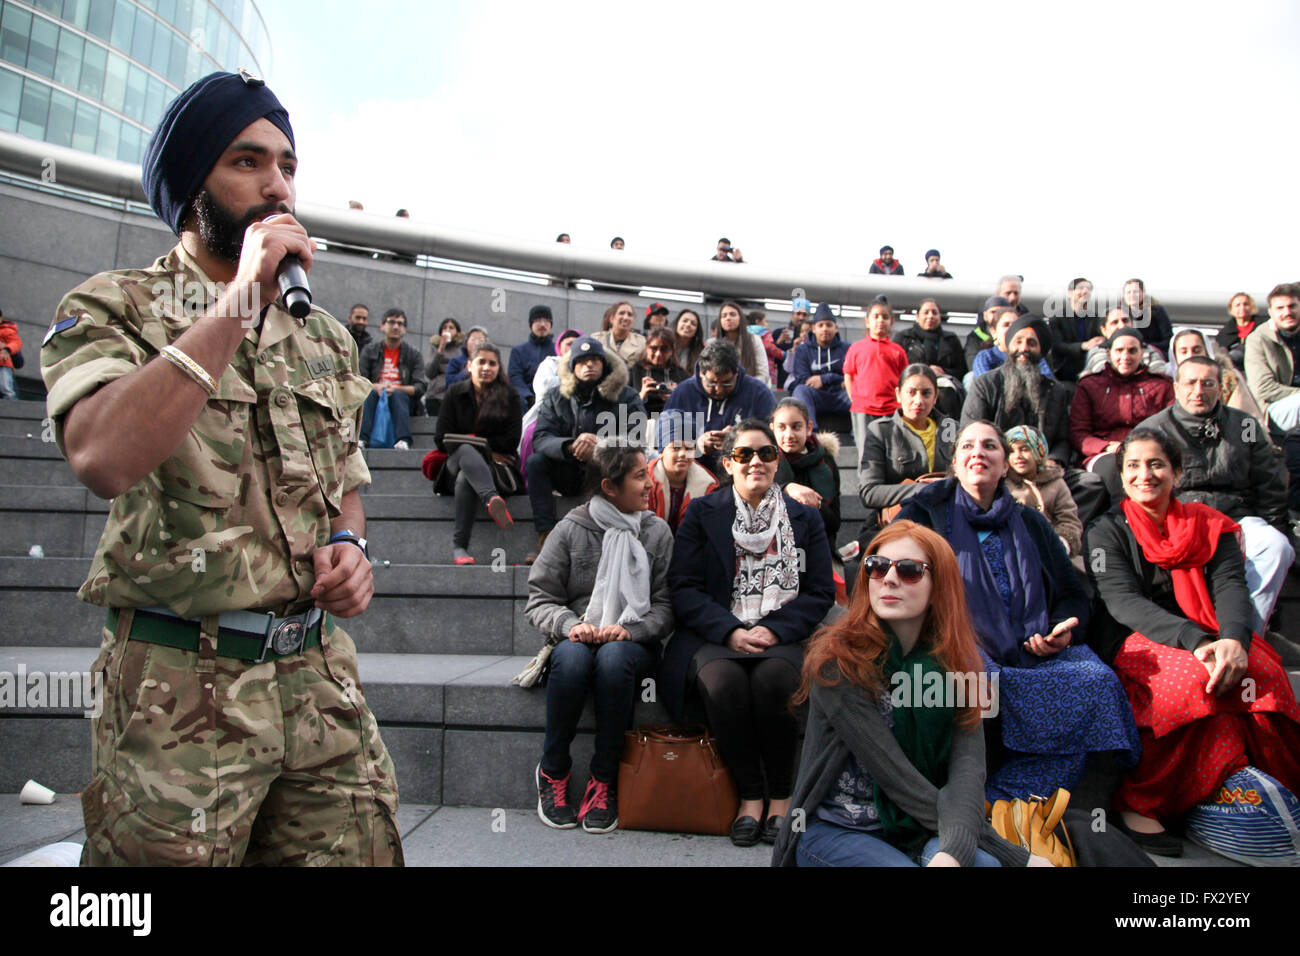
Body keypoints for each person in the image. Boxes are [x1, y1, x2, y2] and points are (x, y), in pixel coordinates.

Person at [39, 70, 402, 865]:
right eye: (247, 162)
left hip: (317, 678)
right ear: (191, 183)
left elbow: (344, 484)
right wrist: (237, 303)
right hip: (178, 692)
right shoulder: (114, 305)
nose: (278, 185)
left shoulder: (324, 336)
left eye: (287, 165)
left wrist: (352, 546)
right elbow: (101, 456)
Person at [774, 521, 1042, 868]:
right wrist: (1017, 858)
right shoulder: (837, 661)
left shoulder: (961, 665)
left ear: (939, 587)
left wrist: (955, 851)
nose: (888, 578)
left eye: (910, 571)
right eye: (876, 566)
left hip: (919, 828)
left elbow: (968, 773)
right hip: (837, 830)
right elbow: (896, 777)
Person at [895, 421, 1140, 799]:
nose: (979, 452)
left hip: (1033, 647)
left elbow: (1072, 593)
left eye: (990, 446)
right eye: (969, 447)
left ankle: (1047, 799)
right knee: (979, 680)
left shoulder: (1030, 522)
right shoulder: (926, 513)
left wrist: (1062, 629)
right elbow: (889, 575)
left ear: (1005, 466)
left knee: (1097, 680)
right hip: (953, 640)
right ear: (956, 464)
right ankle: (977, 796)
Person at [1085, 427, 1300, 854]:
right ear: (1122, 476)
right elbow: (1122, 601)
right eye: (1133, 466)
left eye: (1156, 464)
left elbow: (1231, 588)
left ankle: (1239, 786)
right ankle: (1144, 800)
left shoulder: (1208, 525)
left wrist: (1236, 639)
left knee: (1261, 671)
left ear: (1177, 473)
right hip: (1139, 636)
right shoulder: (1105, 531)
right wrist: (1196, 641)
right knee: (1190, 684)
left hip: (1213, 634)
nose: (1144, 474)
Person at [660, 420, 836, 846]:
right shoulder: (703, 513)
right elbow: (683, 586)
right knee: (723, 682)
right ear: (727, 464)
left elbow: (819, 592)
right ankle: (749, 796)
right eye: (744, 454)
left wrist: (774, 630)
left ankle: (780, 796)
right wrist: (730, 631)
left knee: (775, 679)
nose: (756, 461)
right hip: (716, 633)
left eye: (766, 453)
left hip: (784, 633)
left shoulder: (804, 518)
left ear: (777, 463)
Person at [528, 441, 675, 832]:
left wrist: (629, 630)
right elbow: (540, 598)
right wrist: (568, 625)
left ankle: (604, 778)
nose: (650, 483)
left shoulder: (656, 532)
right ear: (610, 486)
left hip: (633, 644)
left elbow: (665, 605)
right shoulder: (571, 529)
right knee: (574, 660)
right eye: (640, 476)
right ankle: (554, 771)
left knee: (613, 659)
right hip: (575, 637)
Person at [1137, 356, 1295, 637]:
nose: (1199, 391)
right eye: (1191, 383)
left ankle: (1248, 638)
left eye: (1207, 383)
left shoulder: (1244, 425)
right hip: (1179, 519)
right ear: (1176, 387)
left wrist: (1275, 524)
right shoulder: (1153, 431)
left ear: (1220, 388)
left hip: (1236, 517)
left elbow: (1269, 483)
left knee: (1277, 547)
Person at [961, 314, 1109, 525]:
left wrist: (1054, 460)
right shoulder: (986, 384)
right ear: (1008, 347)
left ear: (1041, 351)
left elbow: (1063, 439)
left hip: (1041, 470)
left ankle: (1055, 533)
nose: (1024, 348)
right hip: (999, 469)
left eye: (1032, 343)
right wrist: (1003, 460)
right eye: (1018, 341)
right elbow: (971, 430)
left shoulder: (1055, 390)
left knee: (1090, 484)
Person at [526, 336, 647, 563]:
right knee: (536, 462)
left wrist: (601, 447)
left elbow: (637, 437)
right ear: (573, 366)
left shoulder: (627, 395)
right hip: (570, 471)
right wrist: (571, 445)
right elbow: (541, 438)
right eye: (582, 361)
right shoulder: (556, 396)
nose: (589, 365)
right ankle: (546, 536)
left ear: (604, 364)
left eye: (594, 360)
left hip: (608, 473)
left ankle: (623, 538)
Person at [433, 343, 522, 565]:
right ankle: (492, 499)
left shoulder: (510, 396)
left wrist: (477, 446)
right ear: (470, 365)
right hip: (456, 462)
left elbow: (511, 441)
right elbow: (442, 438)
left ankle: (459, 547)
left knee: (467, 477)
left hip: (496, 469)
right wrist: (482, 447)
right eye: (481, 362)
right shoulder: (455, 393)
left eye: (492, 363)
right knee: (465, 450)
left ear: (498, 368)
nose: (486, 367)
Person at [1069, 328, 1174, 500]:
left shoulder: (1162, 386)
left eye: (1132, 351)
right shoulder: (1089, 385)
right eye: (1119, 350)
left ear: (1142, 354)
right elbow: (1079, 434)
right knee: (1113, 467)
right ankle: (1123, 518)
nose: (1126, 356)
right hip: (1104, 453)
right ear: (1109, 353)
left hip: (1150, 451)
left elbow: (1171, 429)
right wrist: (1108, 446)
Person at [858, 365, 955, 533]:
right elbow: (870, 492)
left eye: (926, 393)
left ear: (936, 397)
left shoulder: (950, 428)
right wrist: (923, 490)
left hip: (947, 520)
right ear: (898, 394)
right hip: (899, 524)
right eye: (911, 392)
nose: (918, 400)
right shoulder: (881, 430)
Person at [658, 339, 777, 475]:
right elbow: (665, 444)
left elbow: (772, 441)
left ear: (736, 373)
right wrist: (696, 445)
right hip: (692, 472)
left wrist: (738, 439)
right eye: (712, 383)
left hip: (743, 471)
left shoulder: (759, 393)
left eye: (726, 383)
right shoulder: (683, 393)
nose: (719, 390)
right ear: (701, 373)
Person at [771, 397, 842, 562]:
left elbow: (834, 523)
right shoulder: (764, 461)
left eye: (796, 427)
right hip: (774, 549)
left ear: (809, 427)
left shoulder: (826, 462)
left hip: (817, 547)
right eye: (782, 427)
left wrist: (815, 504)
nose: (789, 435)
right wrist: (786, 488)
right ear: (772, 429)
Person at [1004, 425, 1083, 558]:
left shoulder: (1056, 483)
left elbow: (1069, 520)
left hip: (1049, 549)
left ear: (1038, 451)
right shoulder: (1004, 483)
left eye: (1024, 449)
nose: (1018, 456)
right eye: (1012, 451)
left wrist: (1061, 543)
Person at [842, 298, 909, 449]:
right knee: (865, 451)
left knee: (892, 451)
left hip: (892, 409)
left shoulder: (898, 350)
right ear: (867, 321)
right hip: (863, 410)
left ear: (891, 322)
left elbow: (904, 380)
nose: (881, 320)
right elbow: (849, 375)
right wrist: (855, 399)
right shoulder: (856, 348)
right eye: (876, 316)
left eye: (885, 317)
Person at [358, 308, 425, 450]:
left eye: (400, 324)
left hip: (403, 401)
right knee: (368, 394)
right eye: (392, 322)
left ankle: (403, 440)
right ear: (382, 325)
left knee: (398, 395)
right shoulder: (370, 351)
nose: (396, 327)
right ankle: (361, 439)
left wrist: (396, 388)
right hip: (375, 396)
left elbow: (420, 387)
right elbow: (359, 380)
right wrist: (376, 387)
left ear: (405, 329)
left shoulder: (413, 354)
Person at [647, 411, 720, 532]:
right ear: (661, 452)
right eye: (675, 448)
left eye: (688, 448)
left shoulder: (708, 487)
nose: (682, 454)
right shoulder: (644, 481)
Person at [892, 297, 967, 415]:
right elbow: (894, 368)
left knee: (946, 394)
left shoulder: (951, 339)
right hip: (911, 383)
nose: (930, 316)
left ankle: (949, 432)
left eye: (934, 312)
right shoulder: (903, 338)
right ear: (917, 316)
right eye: (926, 312)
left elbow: (962, 369)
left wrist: (943, 371)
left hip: (944, 385)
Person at [1244, 281, 1300, 432]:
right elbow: (1263, 389)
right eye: (1280, 308)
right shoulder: (1258, 339)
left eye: (1292, 306)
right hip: (1272, 411)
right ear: (1270, 311)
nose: (1287, 312)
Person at [788, 304, 849, 430]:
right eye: (820, 325)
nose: (825, 329)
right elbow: (802, 379)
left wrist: (825, 379)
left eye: (829, 325)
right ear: (814, 329)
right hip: (816, 396)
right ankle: (811, 435)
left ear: (836, 328)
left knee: (859, 390)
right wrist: (840, 380)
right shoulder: (803, 350)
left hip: (841, 395)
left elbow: (851, 378)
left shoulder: (848, 348)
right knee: (800, 390)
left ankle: (859, 437)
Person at [971, 305, 1055, 380]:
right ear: (994, 332)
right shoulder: (985, 357)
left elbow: (1048, 380)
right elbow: (984, 385)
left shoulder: (1032, 354)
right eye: (1006, 325)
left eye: (1015, 325)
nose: (1011, 329)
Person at [1081, 307, 1169, 378]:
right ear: (1104, 330)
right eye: (1115, 322)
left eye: (1125, 320)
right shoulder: (1097, 352)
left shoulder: (1149, 350)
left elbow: (1161, 378)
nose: (1122, 325)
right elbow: (1104, 380)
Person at [1047, 278, 1104, 383]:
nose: (1085, 291)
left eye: (1089, 289)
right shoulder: (1057, 317)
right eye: (1081, 288)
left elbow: (1101, 337)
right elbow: (1057, 345)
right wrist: (1084, 346)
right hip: (1064, 371)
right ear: (1070, 293)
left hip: (1089, 368)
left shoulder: (1096, 318)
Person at [713, 300, 770, 388]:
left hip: (753, 389)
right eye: (724, 316)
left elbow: (763, 373)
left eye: (733, 314)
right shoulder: (714, 344)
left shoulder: (754, 340)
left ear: (740, 318)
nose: (728, 318)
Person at [629, 326, 685, 416]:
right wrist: (641, 396)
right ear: (647, 347)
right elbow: (623, 407)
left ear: (672, 351)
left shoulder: (681, 376)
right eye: (654, 348)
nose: (658, 354)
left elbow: (691, 408)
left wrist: (674, 400)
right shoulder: (635, 371)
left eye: (664, 349)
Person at [508, 304, 556, 408]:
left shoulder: (558, 350)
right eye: (538, 320)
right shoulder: (518, 351)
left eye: (547, 321)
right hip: (525, 400)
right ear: (531, 324)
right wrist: (528, 397)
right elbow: (515, 377)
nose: (543, 324)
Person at [422, 317, 463, 416]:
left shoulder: (461, 350)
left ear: (457, 332)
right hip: (435, 395)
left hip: (454, 394)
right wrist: (440, 350)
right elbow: (429, 373)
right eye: (445, 328)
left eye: (451, 328)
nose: (447, 330)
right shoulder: (435, 348)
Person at [1122, 278, 1174, 353]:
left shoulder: (1156, 311)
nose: (1132, 295)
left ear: (1143, 293)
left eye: (1135, 292)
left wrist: (1147, 347)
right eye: (1128, 292)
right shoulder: (1120, 313)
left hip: (1153, 352)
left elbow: (1168, 338)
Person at [592, 300, 646, 366]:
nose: (626, 317)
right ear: (612, 318)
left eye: (630, 314)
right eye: (621, 313)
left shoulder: (641, 342)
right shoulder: (597, 339)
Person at [1216, 292, 1259, 369]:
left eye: (1246, 304)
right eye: (1237, 305)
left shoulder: (1263, 326)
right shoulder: (1224, 333)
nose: (1242, 308)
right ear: (1231, 309)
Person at [673, 308, 705, 374]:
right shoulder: (664, 345)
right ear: (677, 323)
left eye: (693, 324)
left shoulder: (702, 353)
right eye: (685, 321)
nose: (688, 325)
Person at [0, 307, 22, 399]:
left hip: (3, 363)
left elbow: (16, 343)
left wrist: (7, 349)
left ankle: (11, 406)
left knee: (6, 388)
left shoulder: (6, 330)